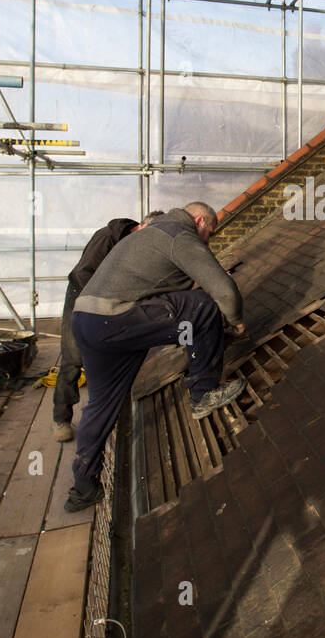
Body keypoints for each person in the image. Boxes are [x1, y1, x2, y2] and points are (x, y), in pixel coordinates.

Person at [65, 202, 246, 512]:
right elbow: (224, 290)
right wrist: (236, 321)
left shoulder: (149, 234)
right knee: (203, 305)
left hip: (86, 320)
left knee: (100, 405)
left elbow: (162, 297)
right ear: (199, 221)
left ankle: (82, 489)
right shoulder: (179, 234)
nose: (209, 240)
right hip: (115, 317)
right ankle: (203, 394)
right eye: (210, 232)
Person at [52, 211, 166, 441]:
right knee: (73, 359)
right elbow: (81, 274)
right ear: (142, 227)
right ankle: (61, 418)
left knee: (110, 358)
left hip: (110, 304)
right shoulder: (106, 237)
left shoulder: (141, 246)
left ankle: (102, 416)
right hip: (80, 298)